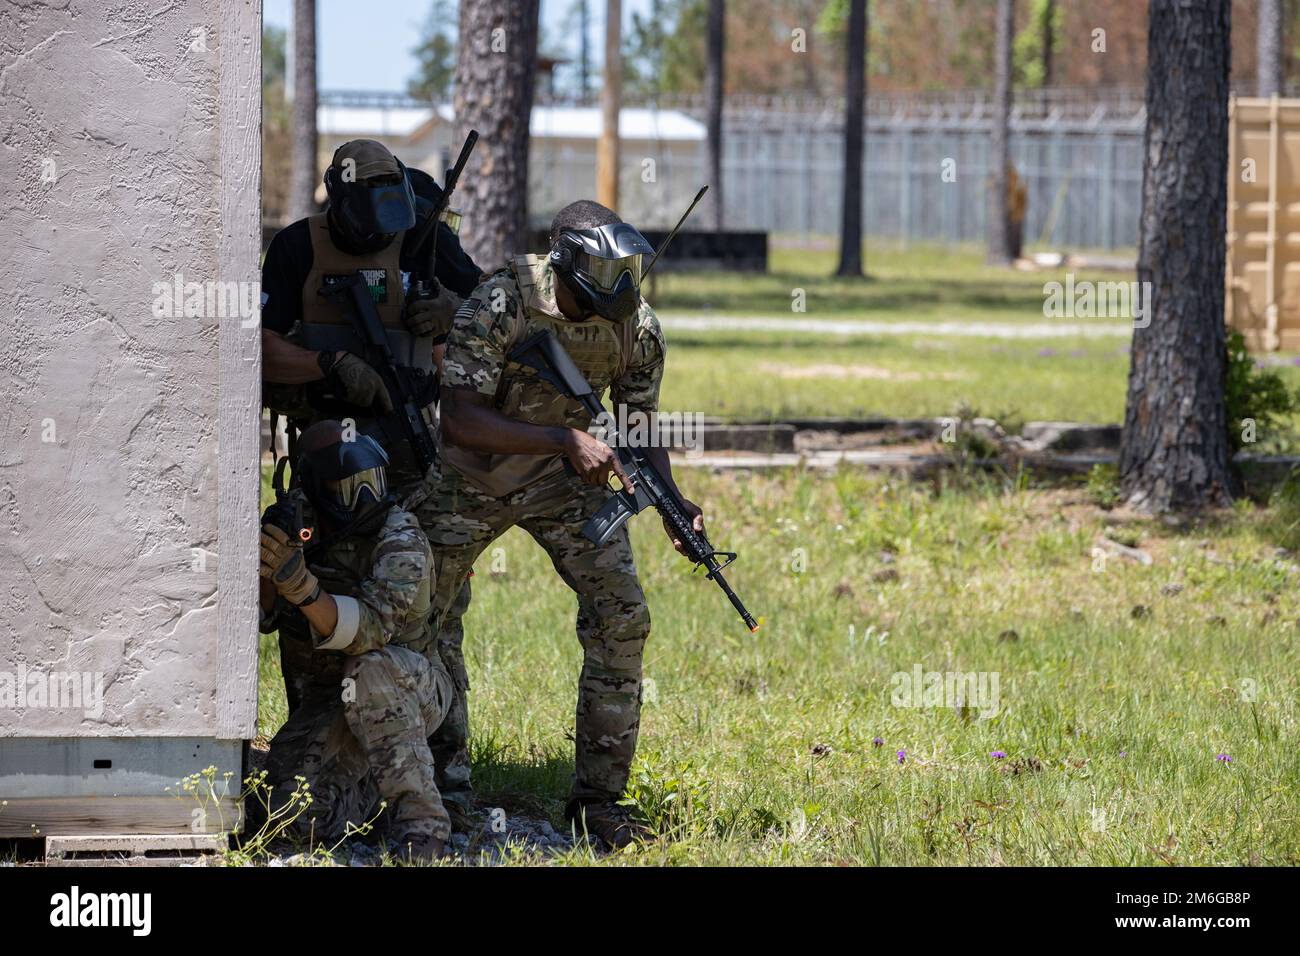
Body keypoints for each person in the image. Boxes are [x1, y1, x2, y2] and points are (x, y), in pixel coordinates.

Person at [410, 200, 706, 848]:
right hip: (472, 478)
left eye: (629, 268)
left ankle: (598, 803)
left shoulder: (637, 326)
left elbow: (640, 422)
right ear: (567, 265)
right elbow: (457, 419)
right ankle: (441, 792)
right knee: (422, 617)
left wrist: (671, 500)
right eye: (607, 270)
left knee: (622, 617)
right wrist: (561, 437)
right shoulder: (503, 300)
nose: (622, 285)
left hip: (567, 487)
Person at [258, 420, 453, 861]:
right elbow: (261, 618)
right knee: (290, 817)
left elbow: (367, 632)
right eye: (348, 487)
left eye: (371, 483)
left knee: (372, 670)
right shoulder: (301, 527)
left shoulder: (401, 540)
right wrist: (266, 568)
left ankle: (423, 824)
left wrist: (302, 587)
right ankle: (373, 799)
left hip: (408, 688)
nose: (365, 499)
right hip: (330, 699)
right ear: (314, 488)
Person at [260, 138, 481, 491]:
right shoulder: (297, 247)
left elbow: (495, 309)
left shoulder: (423, 239)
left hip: (411, 426)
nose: (384, 235)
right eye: (370, 226)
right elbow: (259, 352)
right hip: (324, 430)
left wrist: (454, 311)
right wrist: (331, 363)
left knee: (413, 538)